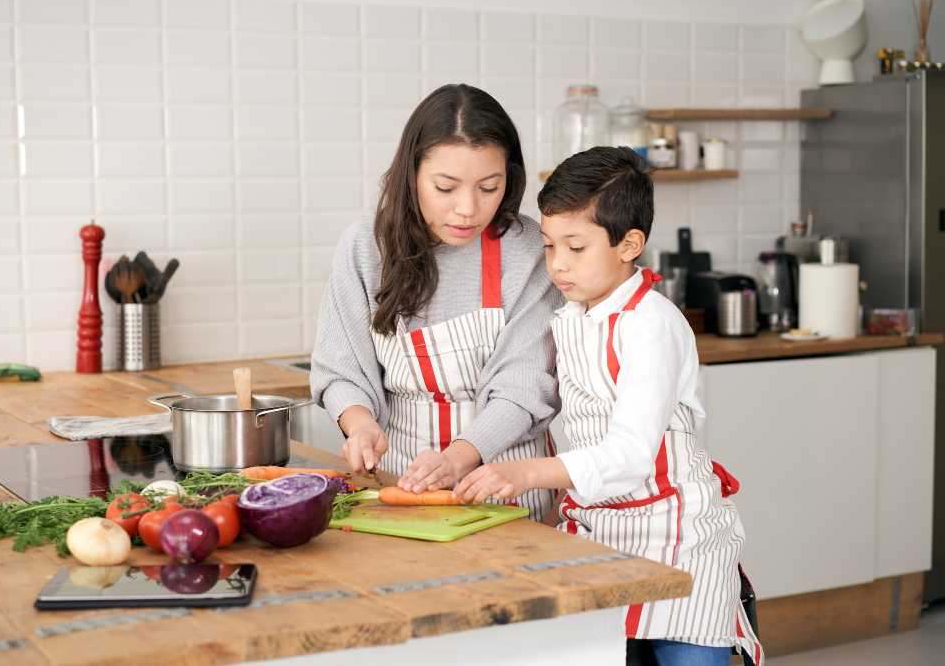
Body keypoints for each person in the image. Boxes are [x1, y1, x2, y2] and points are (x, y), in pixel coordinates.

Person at [453, 147, 763, 665]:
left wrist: (527, 474)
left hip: (679, 538)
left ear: (629, 245)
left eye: (576, 247)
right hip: (602, 531)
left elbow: (630, 455)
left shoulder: (651, 325)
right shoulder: (572, 316)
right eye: (549, 245)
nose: (557, 264)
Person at [310, 84, 561, 520]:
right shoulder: (367, 247)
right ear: (412, 175)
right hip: (398, 485)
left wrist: (458, 457)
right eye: (446, 187)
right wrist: (359, 424)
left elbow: (524, 386)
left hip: (507, 490)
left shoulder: (527, 250)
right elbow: (340, 367)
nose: (468, 209)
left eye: (489, 187)